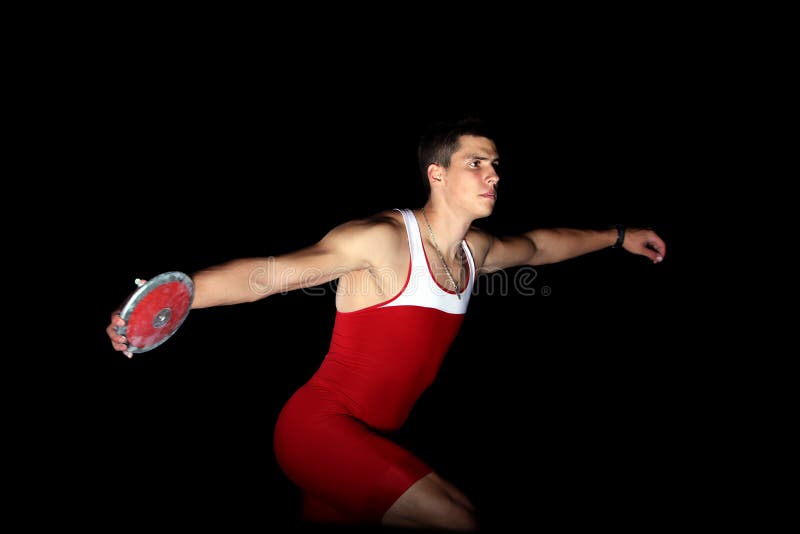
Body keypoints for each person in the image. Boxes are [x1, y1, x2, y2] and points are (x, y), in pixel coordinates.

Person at [106, 118, 666, 531]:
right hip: (317, 428)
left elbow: (542, 245)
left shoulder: (477, 251)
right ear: (436, 174)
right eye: (477, 162)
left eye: (496, 165)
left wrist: (617, 237)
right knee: (459, 519)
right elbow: (269, 275)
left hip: (373, 441)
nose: (493, 174)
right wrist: (170, 297)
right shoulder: (381, 240)